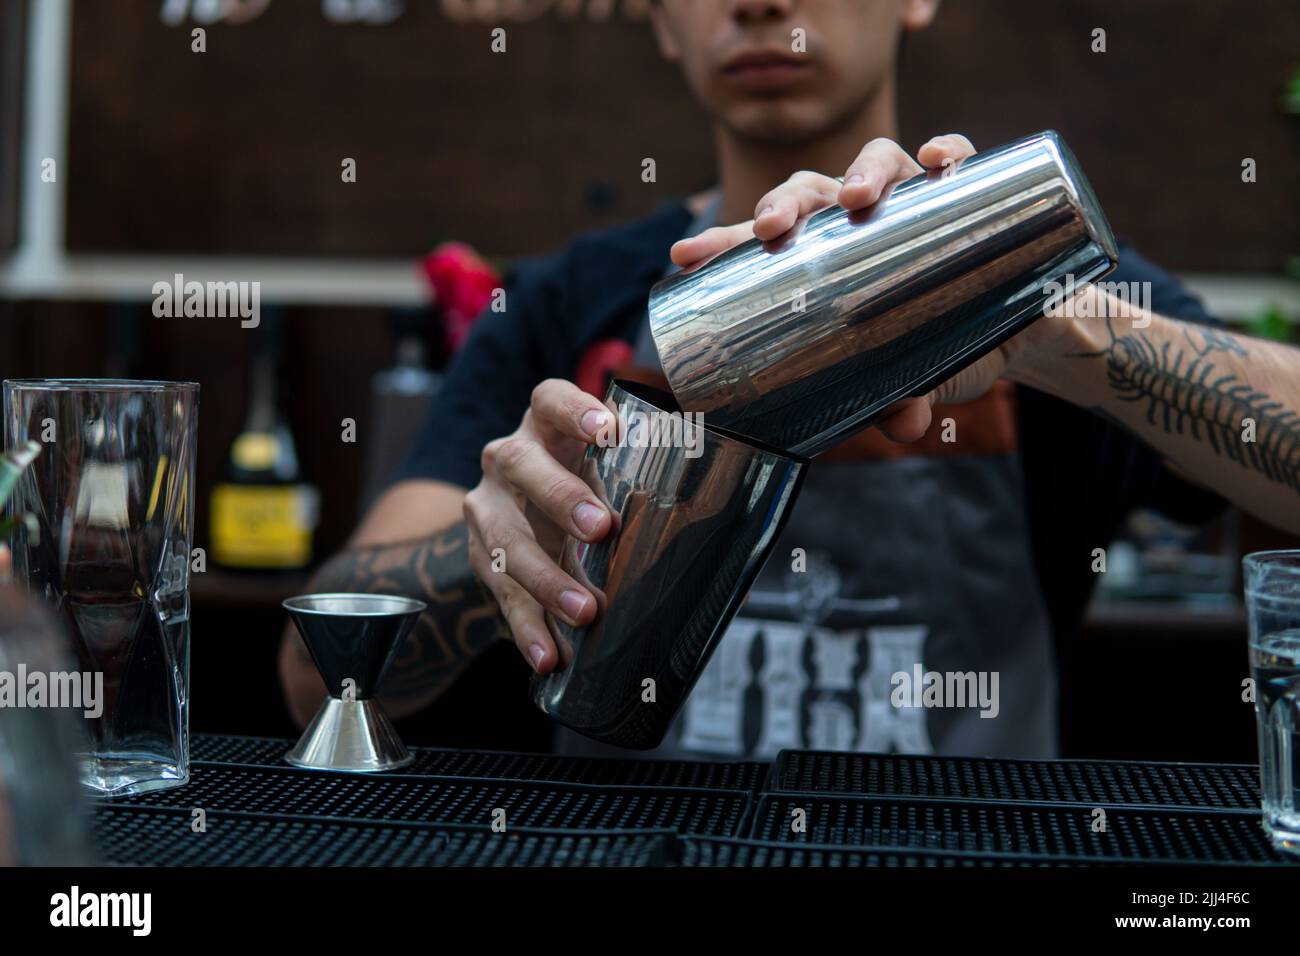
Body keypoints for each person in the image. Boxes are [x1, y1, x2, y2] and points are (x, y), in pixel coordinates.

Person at [280, 0, 1300, 759]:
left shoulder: (1044, 278)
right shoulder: (559, 305)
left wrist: (1037, 320)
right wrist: (501, 551)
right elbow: (307, 682)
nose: (760, 4)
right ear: (661, 22)